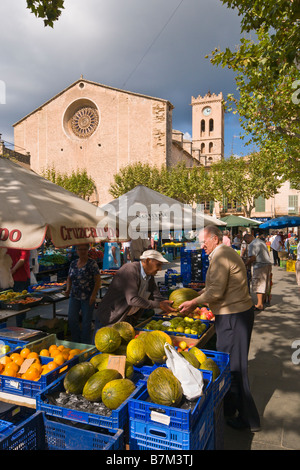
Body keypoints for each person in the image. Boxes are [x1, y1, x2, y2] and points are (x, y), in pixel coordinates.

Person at [178, 225, 260, 432]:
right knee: (230, 365)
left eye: (203, 241)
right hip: (233, 315)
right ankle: (231, 409)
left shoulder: (221, 255)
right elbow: (216, 286)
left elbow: (215, 292)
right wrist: (200, 292)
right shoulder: (223, 253)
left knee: (235, 368)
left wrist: (194, 301)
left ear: (214, 238)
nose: (201, 245)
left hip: (233, 317)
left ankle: (249, 420)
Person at [94, 250, 177, 330]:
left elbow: (156, 296)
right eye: (158, 265)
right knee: (102, 342)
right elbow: (132, 299)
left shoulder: (149, 276)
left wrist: (171, 306)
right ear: (147, 261)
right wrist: (158, 305)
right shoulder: (130, 270)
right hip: (110, 317)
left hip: (126, 318)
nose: (160, 269)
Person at [64, 244, 101, 344]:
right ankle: (76, 342)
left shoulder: (92, 264)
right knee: (72, 319)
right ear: (76, 251)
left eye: (84, 249)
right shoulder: (73, 263)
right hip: (74, 296)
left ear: (87, 250)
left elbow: (98, 281)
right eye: (80, 249)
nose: (82, 251)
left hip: (88, 297)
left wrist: (93, 296)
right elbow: (69, 278)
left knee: (86, 322)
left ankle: (85, 344)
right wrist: (68, 289)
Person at [244, 232, 272, 311]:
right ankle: (261, 303)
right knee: (264, 284)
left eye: (246, 241)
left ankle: (259, 305)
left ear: (248, 238)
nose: (247, 243)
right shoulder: (261, 241)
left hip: (260, 265)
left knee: (258, 285)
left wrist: (245, 264)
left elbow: (253, 258)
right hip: (267, 264)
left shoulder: (252, 244)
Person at [7, 248, 31, 327]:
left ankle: (19, 327)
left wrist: (12, 270)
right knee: (17, 305)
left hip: (19, 278)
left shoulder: (23, 244)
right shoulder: (21, 243)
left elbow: (22, 259)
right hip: (14, 278)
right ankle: (18, 327)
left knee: (18, 305)